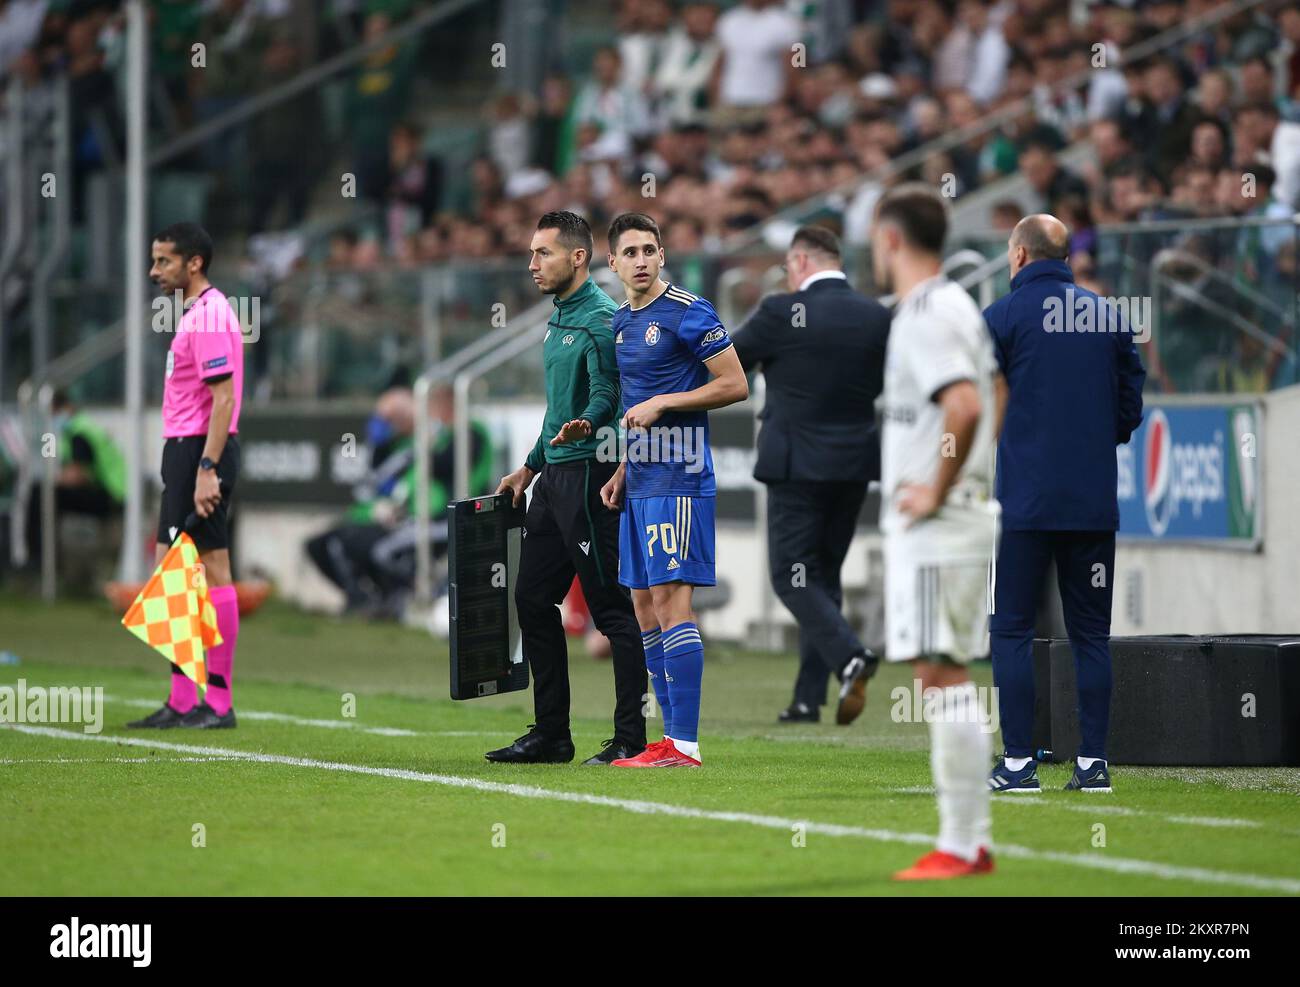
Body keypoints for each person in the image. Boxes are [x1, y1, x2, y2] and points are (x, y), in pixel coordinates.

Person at [984, 215, 1145, 794]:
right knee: (1090, 635)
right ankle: (1093, 764)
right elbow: (1130, 406)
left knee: (1011, 631)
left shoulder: (1001, 318)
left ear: (1022, 256)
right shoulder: (1108, 315)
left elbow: (980, 404)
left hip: (1025, 505)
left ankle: (1020, 763)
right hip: (1091, 502)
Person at [485, 211, 649, 767]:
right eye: (532, 253)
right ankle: (552, 734)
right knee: (532, 598)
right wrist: (528, 468)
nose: (532, 264)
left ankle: (631, 737)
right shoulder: (559, 320)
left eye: (543, 253)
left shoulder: (603, 320)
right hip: (553, 479)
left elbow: (608, 394)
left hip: (588, 477)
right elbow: (556, 412)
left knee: (610, 609)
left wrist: (588, 421)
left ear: (578, 257)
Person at [871, 184, 1000, 880]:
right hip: (952, 515)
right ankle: (967, 839)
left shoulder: (926, 311)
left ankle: (961, 842)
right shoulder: (952, 305)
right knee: (939, 672)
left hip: (940, 523)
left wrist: (940, 486)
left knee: (941, 673)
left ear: (890, 238)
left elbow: (966, 402)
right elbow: (995, 392)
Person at [599, 212, 748, 768]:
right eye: (629, 252)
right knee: (642, 605)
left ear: (663, 255)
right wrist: (620, 471)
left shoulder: (690, 313)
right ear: (611, 263)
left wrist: (667, 404)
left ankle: (684, 743)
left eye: (648, 250)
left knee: (671, 600)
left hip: (680, 475)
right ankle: (667, 740)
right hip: (641, 477)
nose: (640, 260)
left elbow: (735, 384)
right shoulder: (619, 322)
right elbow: (633, 404)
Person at [731, 225, 889, 725]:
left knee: (790, 576)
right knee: (821, 576)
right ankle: (807, 698)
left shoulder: (781, 310)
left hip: (796, 464)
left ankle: (851, 657)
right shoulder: (876, 315)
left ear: (799, 262)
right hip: (854, 466)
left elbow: (727, 364)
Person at [128, 223, 244, 730]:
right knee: (176, 572)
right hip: (185, 451)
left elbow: (224, 399)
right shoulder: (196, 313)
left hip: (200, 451)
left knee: (210, 569)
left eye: (163, 262)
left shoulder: (212, 313)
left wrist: (206, 469)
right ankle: (183, 700)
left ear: (193, 262)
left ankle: (217, 703)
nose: (154, 272)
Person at [305, 385, 492, 619]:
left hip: (452, 517)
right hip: (421, 517)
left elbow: (443, 467)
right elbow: (380, 480)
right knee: (347, 543)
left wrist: (423, 443)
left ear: (445, 407)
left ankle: (416, 600)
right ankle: (388, 601)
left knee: (383, 551)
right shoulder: (417, 443)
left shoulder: (469, 433)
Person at [24, 390, 126, 567]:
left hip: (109, 496)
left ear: (65, 407)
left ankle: (39, 560)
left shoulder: (79, 432)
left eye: (53, 413)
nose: (53, 419)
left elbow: (78, 475)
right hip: (111, 492)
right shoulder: (83, 426)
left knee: (41, 494)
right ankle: (45, 559)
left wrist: (55, 480)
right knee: (44, 494)